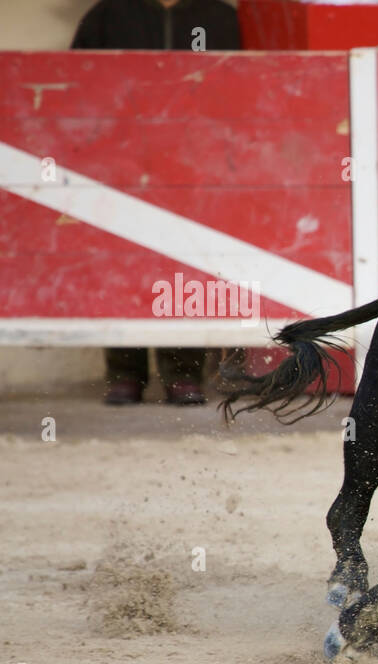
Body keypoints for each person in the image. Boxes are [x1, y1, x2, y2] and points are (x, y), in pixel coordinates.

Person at [72, 0, 242, 405]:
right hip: (119, 158)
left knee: (187, 262)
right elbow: (77, 85)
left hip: (193, 159)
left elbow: (236, 87)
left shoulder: (218, 16)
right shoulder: (106, 15)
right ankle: (124, 373)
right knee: (121, 258)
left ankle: (184, 375)